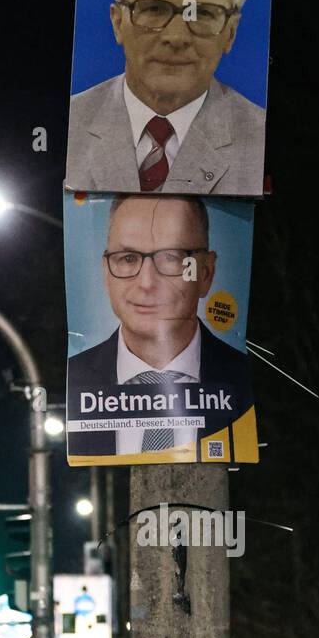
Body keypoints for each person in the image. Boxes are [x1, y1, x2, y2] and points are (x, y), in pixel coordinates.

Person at [66, 0, 266, 196]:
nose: (176, 37)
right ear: (117, 23)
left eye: (202, 13)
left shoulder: (259, 137)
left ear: (231, 32)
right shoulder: (70, 123)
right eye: (153, 9)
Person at [66, 194, 255, 460]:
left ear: (206, 273)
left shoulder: (246, 378)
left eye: (171, 257)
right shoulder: (77, 378)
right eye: (128, 258)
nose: (146, 282)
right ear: (106, 273)